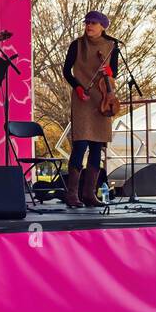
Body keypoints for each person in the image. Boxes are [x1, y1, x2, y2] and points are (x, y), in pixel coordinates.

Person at [61, 11, 119, 208]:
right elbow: (66, 70)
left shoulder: (112, 45)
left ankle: (89, 194)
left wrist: (109, 72)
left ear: (103, 26)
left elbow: (115, 73)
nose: (89, 26)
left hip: (103, 98)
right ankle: (72, 195)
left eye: (93, 23)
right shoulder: (77, 44)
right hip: (82, 98)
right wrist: (77, 87)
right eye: (87, 23)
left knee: (97, 147)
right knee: (81, 144)